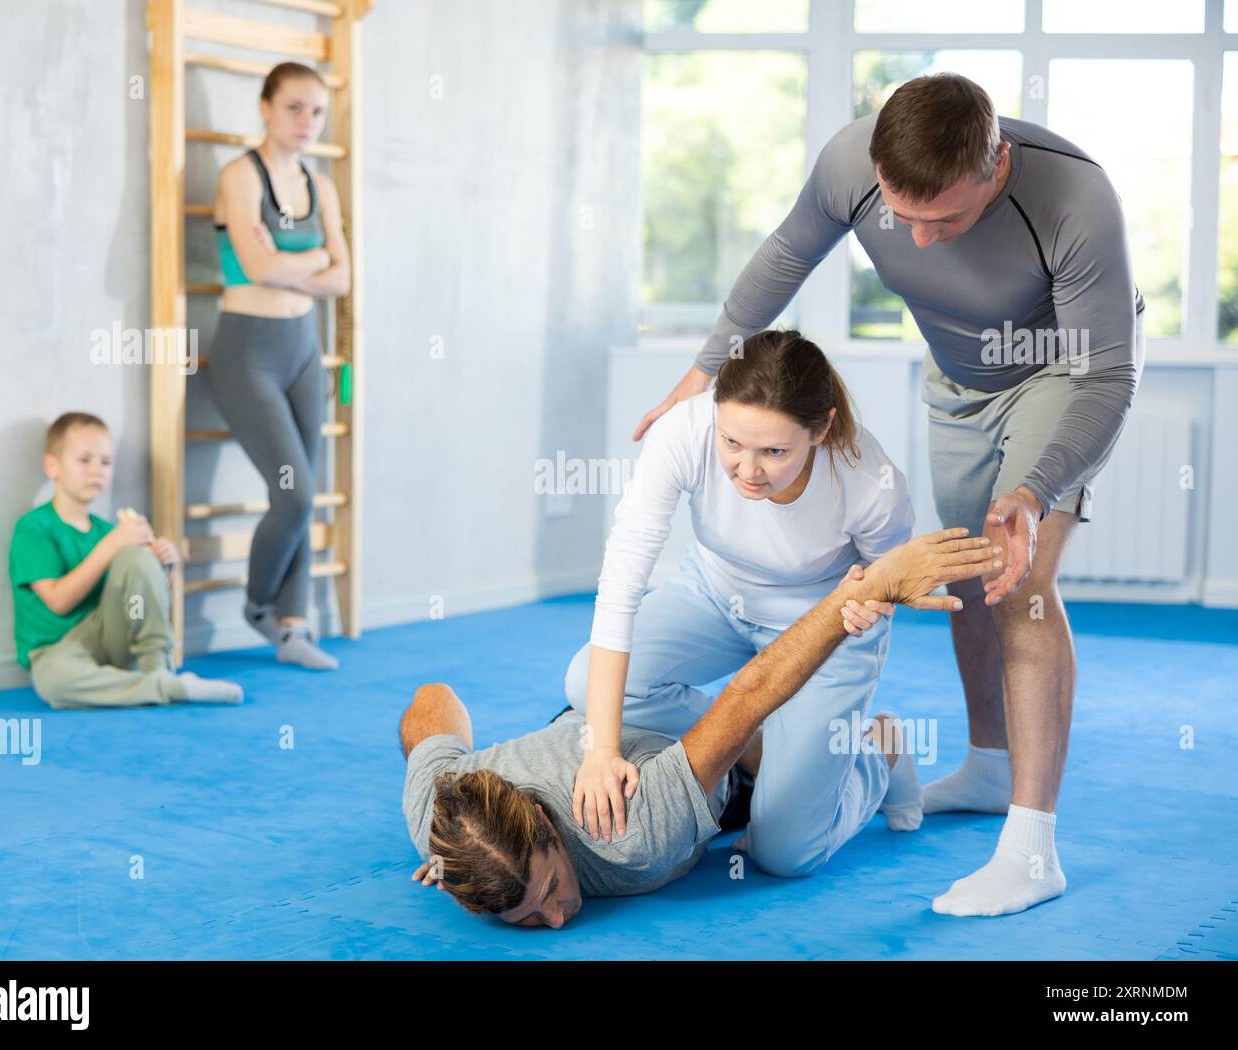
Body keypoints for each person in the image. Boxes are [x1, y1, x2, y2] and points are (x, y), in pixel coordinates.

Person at [633, 73, 1147, 917]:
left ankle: (1032, 847)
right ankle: (987, 766)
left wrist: (1034, 490)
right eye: (902, 220)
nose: (921, 240)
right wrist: (701, 371)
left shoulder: (1075, 198)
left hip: (1063, 378)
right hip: (957, 378)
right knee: (967, 572)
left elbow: (1106, 374)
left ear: (998, 166)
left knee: (1018, 582)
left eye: (944, 218)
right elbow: (788, 255)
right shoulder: (850, 160)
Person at [400, 527, 1003, 928]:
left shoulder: (629, 830)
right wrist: (453, 842)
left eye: (551, 887)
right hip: (627, 743)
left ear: (546, 827)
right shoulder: (447, 818)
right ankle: (808, 749)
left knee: (785, 854)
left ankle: (880, 748)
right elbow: (432, 698)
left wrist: (866, 590)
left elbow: (746, 699)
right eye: (528, 917)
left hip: (707, 761)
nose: (556, 918)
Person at [563, 329, 918, 879]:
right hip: (714, 594)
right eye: (732, 444)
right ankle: (758, 742)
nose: (748, 471)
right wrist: (600, 752)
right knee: (585, 680)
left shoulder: (872, 482)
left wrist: (875, 601)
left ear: (820, 429)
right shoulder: (683, 430)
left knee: (784, 854)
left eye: (774, 451)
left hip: (823, 627)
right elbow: (620, 586)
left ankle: (880, 749)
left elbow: (883, 588)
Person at [208, 61, 351, 671]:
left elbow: (344, 278)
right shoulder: (240, 176)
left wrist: (303, 261)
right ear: (265, 107)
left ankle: (294, 628)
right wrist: (316, 255)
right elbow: (255, 268)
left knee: (308, 491)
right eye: (294, 107)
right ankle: (258, 603)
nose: (306, 122)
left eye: (316, 111)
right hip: (247, 350)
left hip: (304, 349)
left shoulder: (323, 187)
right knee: (293, 495)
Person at [8, 412, 244, 708]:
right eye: (85, 460)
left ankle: (157, 668)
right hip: (57, 652)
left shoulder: (109, 532)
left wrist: (162, 566)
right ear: (52, 466)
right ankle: (169, 688)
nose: (97, 470)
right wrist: (111, 546)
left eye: (105, 462)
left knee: (138, 558)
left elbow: (135, 593)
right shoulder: (34, 528)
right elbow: (58, 601)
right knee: (54, 683)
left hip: (112, 640)